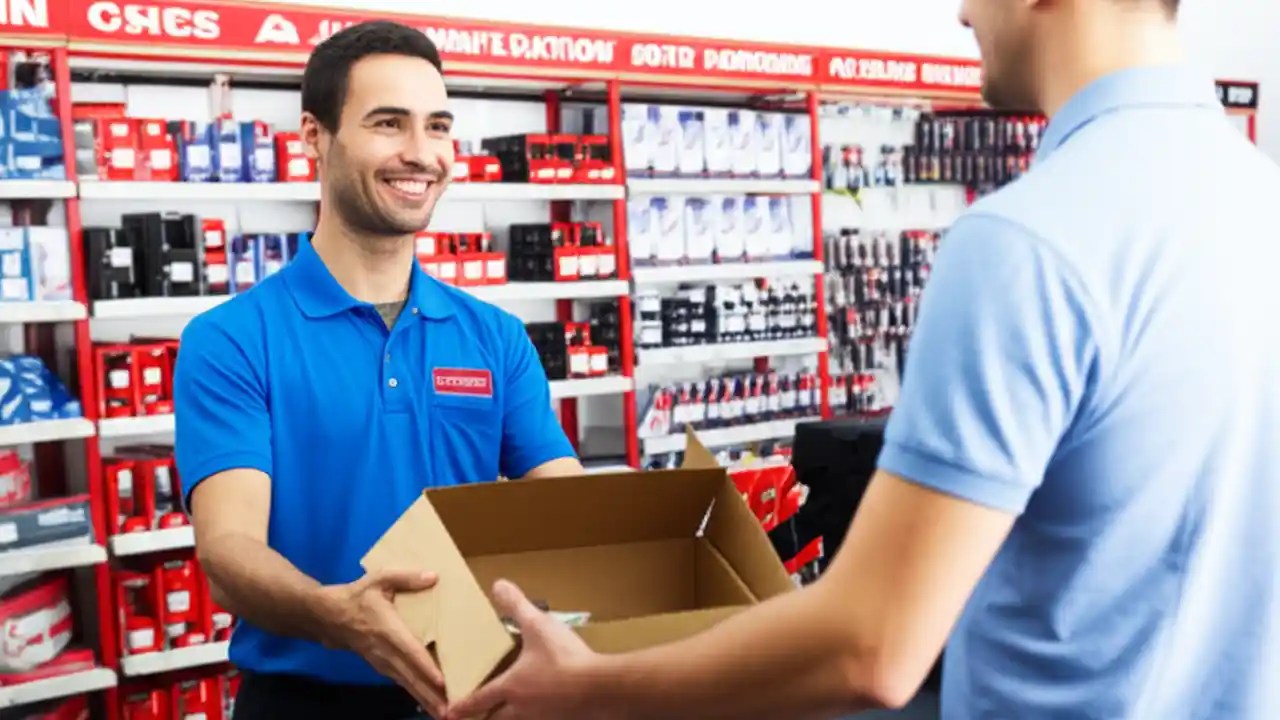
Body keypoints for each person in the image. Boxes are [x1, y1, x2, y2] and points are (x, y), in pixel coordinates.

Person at [447, 0, 1280, 718]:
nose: (961, 15)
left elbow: (873, 646)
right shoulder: (1256, 197)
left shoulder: (1026, 240)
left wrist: (592, 688)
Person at [173, 20, 583, 720]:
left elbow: (567, 506)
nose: (421, 154)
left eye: (438, 126)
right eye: (389, 124)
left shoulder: (495, 338)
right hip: (304, 703)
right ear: (314, 136)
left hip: (476, 690)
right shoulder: (233, 340)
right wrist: (340, 615)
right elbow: (228, 551)